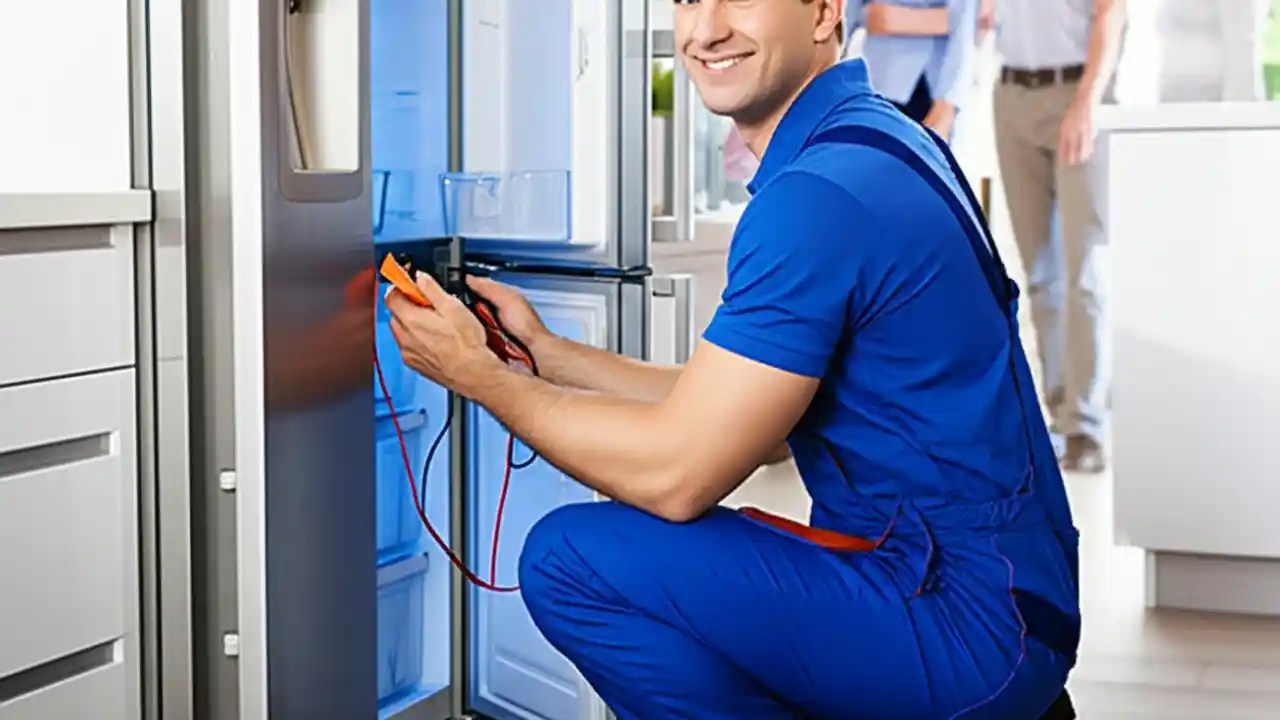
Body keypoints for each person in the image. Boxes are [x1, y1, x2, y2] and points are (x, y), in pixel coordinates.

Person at [387, 0, 1081, 717]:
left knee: (569, 560)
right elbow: (758, 417)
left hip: (967, 625)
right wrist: (551, 356)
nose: (707, 28)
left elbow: (678, 474)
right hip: (1007, 592)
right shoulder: (875, 139)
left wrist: (483, 379)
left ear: (822, 12)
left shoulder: (816, 197)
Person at [992, 0, 1127, 473]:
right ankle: (1057, 415)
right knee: (1039, 275)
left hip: (1076, 90)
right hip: (1011, 93)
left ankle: (1085, 426)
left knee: (1084, 271)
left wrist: (1088, 102)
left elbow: (1112, 14)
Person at [847, 0, 983, 140]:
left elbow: (964, 26)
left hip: (927, 86)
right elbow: (845, 13)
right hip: (877, 81)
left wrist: (946, 107)